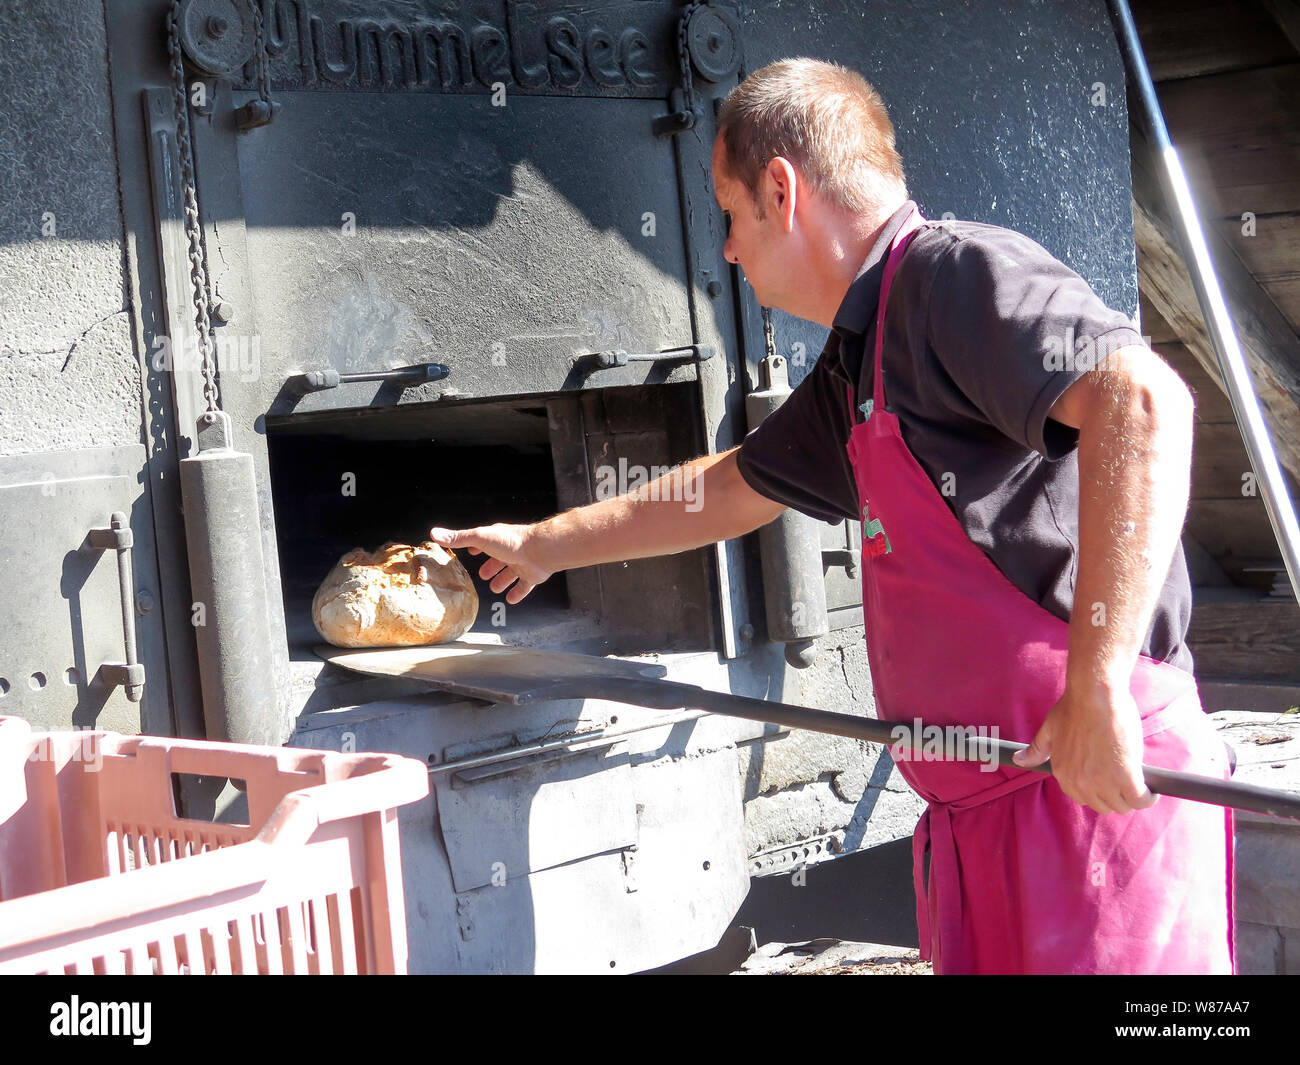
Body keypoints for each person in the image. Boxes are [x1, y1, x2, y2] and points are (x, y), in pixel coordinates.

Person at [430, 58, 1234, 975]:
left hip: (1089, 789)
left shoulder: (955, 275)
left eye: (731, 216)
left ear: (783, 190)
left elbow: (1142, 401)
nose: (729, 249)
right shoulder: (863, 357)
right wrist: (542, 543)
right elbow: (726, 490)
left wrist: (1096, 689)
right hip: (983, 816)